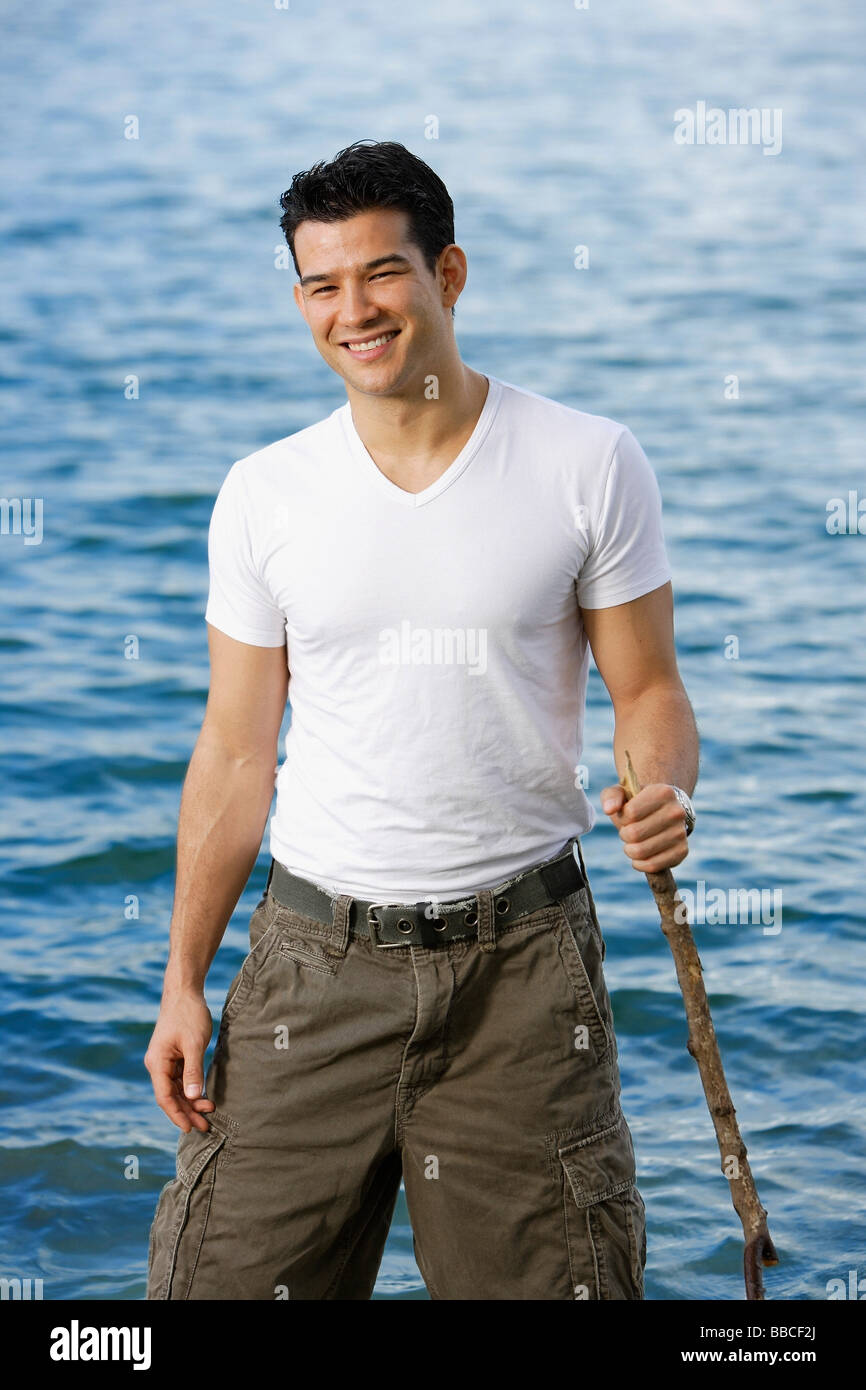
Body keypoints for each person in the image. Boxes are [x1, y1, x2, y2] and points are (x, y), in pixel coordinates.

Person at [145, 139, 699, 1301]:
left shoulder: (587, 462)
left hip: (524, 975)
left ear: (448, 274)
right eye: (320, 285)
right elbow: (238, 752)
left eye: (381, 273)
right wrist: (183, 980)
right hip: (310, 970)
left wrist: (660, 791)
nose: (353, 311)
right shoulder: (265, 493)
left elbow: (644, 689)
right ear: (299, 298)